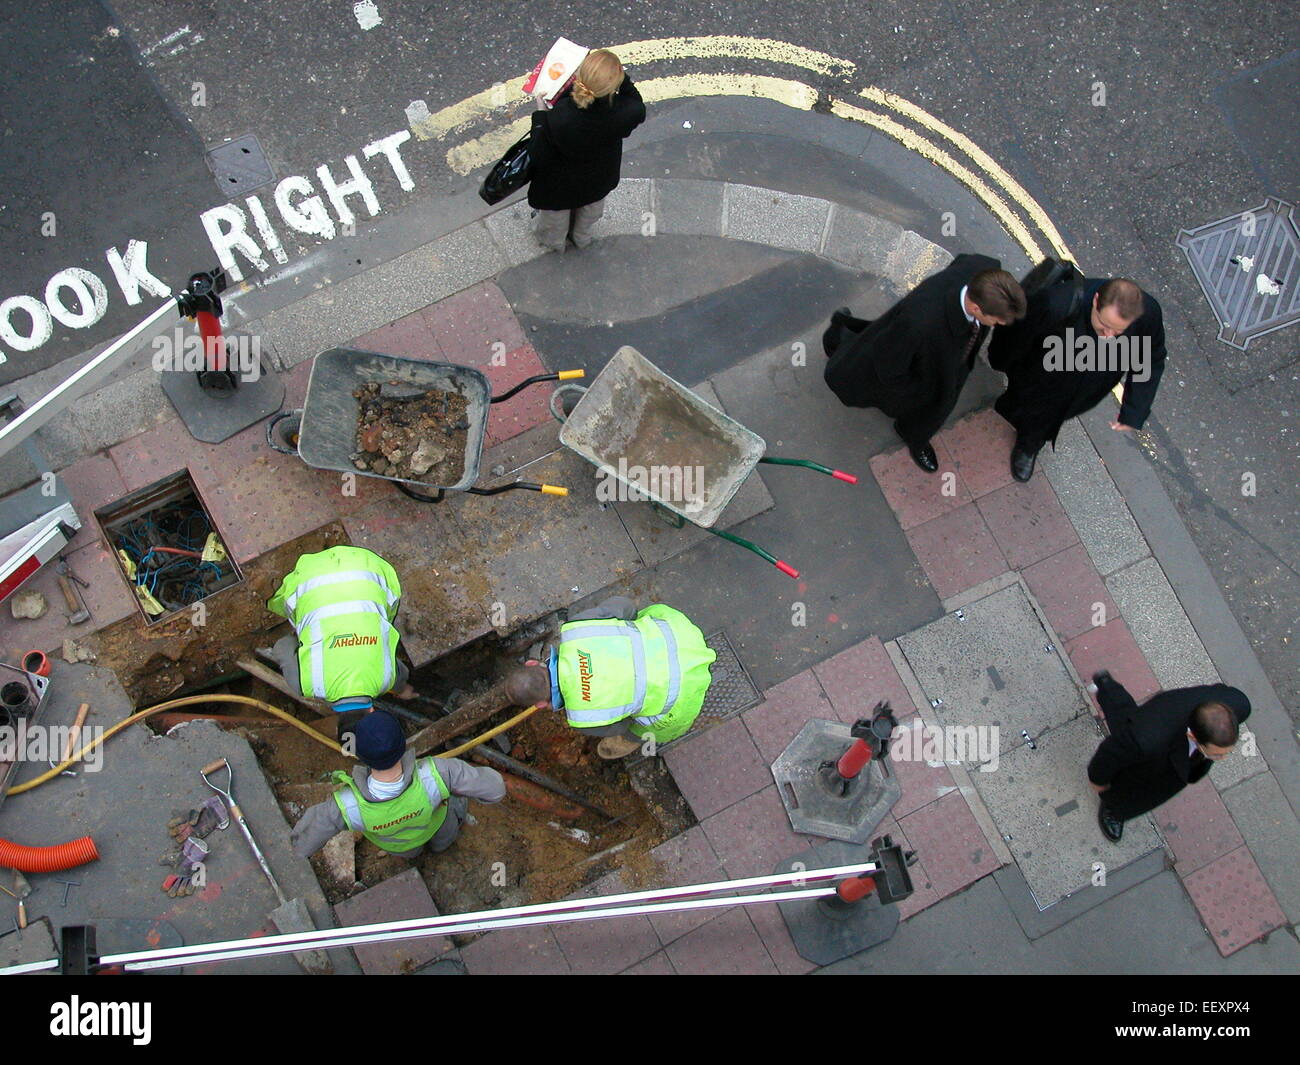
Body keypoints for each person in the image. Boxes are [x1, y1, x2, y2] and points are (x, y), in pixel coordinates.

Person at [823, 255, 1026, 472]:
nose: (999, 325)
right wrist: (918, 392)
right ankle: (838, 336)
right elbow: (888, 364)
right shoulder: (919, 323)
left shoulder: (985, 268)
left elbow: (961, 261)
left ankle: (913, 434)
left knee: (934, 404)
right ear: (976, 308)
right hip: (921, 370)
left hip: (943, 361)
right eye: (996, 321)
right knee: (867, 365)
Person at [988, 277, 1166, 482]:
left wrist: (1134, 410)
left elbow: (1151, 358)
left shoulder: (1147, 314)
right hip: (1041, 379)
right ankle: (1021, 429)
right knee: (1024, 406)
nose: (1108, 335)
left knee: (1047, 418)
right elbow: (1016, 333)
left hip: (1087, 390)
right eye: (1104, 324)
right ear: (1096, 300)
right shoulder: (1057, 303)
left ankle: (1029, 441)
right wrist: (1002, 363)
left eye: (1118, 331)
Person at [504, 596, 715, 759]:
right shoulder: (576, 628)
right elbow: (625, 605)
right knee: (641, 618)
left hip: (685, 692)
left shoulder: (583, 717)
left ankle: (631, 742)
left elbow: (622, 725)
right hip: (680, 634)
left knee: (640, 727)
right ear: (532, 663)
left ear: (541, 705)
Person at [291, 710, 505, 860]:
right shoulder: (438, 773)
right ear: (404, 743)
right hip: (436, 825)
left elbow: (304, 844)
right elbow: (495, 789)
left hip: (397, 845)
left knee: (410, 851)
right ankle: (440, 849)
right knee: (448, 824)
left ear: (360, 756)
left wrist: (299, 848)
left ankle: (416, 854)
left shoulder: (346, 806)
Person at [1086, 671, 1251, 843]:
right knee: (1127, 739)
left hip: (1164, 725)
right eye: (1216, 754)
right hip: (1155, 732)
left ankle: (1107, 687)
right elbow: (1109, 753)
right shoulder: (1146, 740)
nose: (1222, 758)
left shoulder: (1239, 705)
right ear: (1194, 737)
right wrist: (1098, 781)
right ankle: (1115, 809)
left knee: (1127, 721)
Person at [265, 546, 418, 730]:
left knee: (384, 618)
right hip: (309, 574)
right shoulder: (304, 685)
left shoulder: (386, 678)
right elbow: (282, 646)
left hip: (368, 566)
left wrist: (402, 689)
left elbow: (399, 673)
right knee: (296, 616)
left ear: (372, 712)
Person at [528, 48, 646, 252]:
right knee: (590, 212)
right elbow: (635, 100)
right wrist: (618, 77)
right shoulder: (627, 112)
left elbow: (538, 152)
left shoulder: (561, 115)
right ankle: (581, 237)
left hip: (559, 185)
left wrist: (540, 115)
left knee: (554, 223)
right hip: (598, 179)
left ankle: (556, 244)